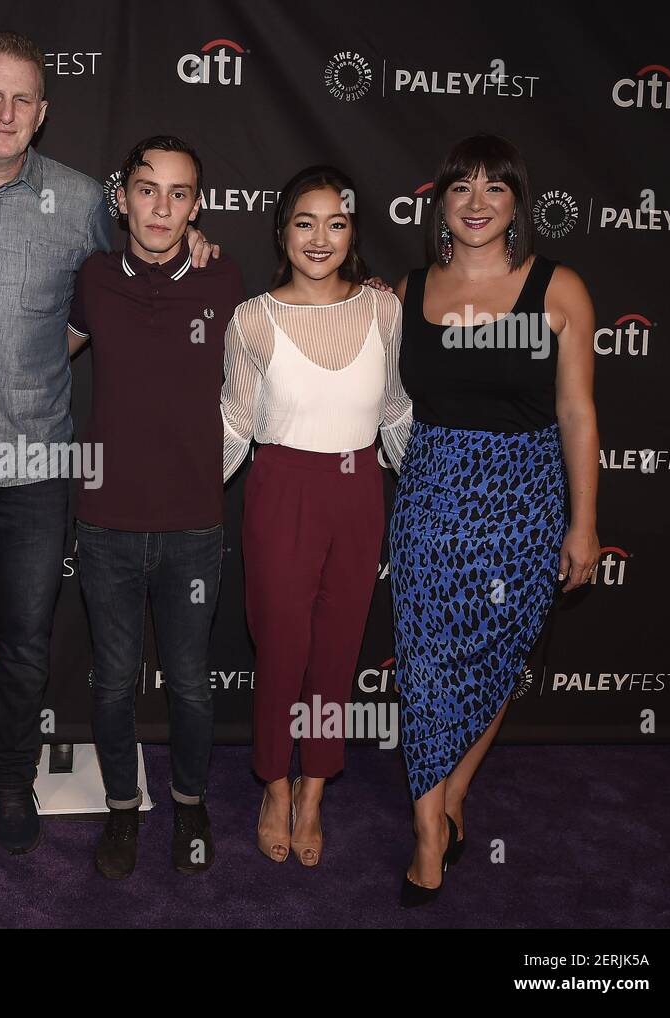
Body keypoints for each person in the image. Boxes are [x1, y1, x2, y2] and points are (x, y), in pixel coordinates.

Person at [0, 30, 217, 855]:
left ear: (42, 113)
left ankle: (9, 768)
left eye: (22, 98)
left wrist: (200, 252)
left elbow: (134, 281)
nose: (5, 112)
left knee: (28, 635)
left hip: (33, 456)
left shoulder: (77, 201)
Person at [391, 134, 599, 905]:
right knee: (422, 665)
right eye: (460, 189)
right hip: (432, 502)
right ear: (439, 204)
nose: (477, 203)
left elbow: (577, 411)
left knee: (496, 659)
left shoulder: (557, 288)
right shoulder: (405, 293)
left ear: (517, 204)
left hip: (526, 501)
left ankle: (451, 795)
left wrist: (584, 524)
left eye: (495, 189)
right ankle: (427, 832)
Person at [222, 166, 411, 869]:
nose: (320, 237)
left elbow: (395, 411)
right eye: (305, 222)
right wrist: (177, 497)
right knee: (279, 650)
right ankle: (273, 785)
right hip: (281, 489)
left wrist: (431, 485)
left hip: (359, 489)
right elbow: (236, 425)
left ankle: (314, 789)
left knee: (336, 653)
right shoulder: (252, 318)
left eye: (337, 222)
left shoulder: (383, 310)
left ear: (353, 231)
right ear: (282, 231)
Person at [68, 136, 243, 878]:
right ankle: (120, 811)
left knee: (192, 683)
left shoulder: (224, 279)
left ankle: (190, 802)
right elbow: (48, 357)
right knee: (111, 682)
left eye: (178, 193)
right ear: (123, 199)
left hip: (195, 525)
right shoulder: (94, 278)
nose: (162, 207)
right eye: (147, 190)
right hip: (106, 525)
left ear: (196, 205)